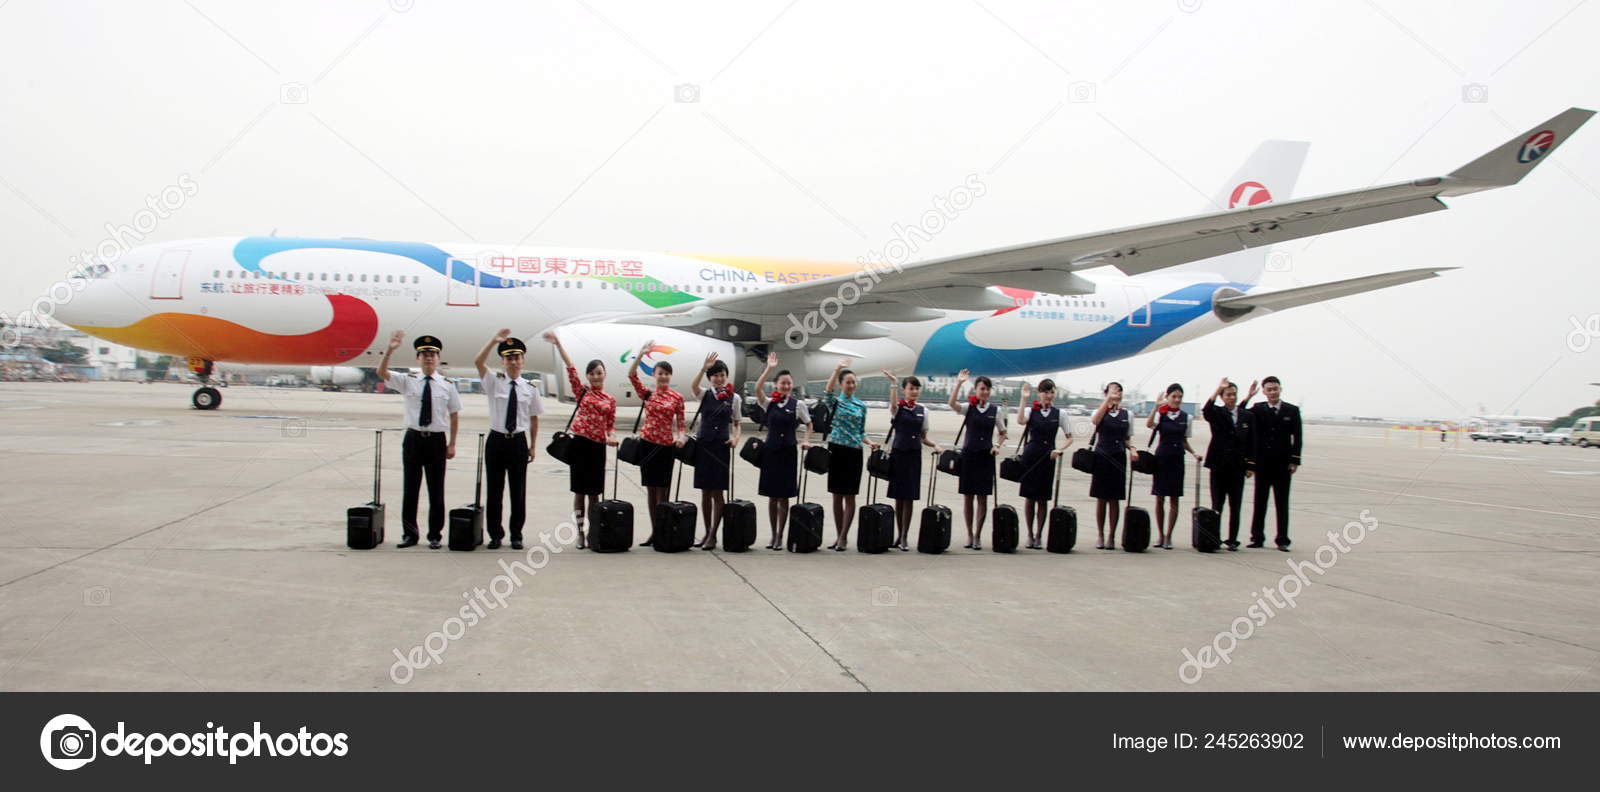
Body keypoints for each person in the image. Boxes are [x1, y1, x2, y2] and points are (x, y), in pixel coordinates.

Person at [377, 331, 462, 549]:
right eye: (424, 354)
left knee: (436, 490)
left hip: (436, 441)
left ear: (438, 357)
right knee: (411, 489)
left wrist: (452, 443)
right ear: (418, 358)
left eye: (433, 354)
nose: (429, 357)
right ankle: (410, 535)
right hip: (413, 439)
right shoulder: (408, 381)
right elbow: (381, 372)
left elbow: (454, 414)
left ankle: (435, 535)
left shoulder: (447, 384)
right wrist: (390, 349)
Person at [544, 331, 618, 550]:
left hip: (597, 448)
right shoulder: (582, 392)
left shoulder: (610, 400)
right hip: (580, 445)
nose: (596, 377)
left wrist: (611, 437)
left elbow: (611, 425)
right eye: (592, 373)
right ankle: (580, 534)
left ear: (605, 375)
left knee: (595, 494)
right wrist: (558, 344)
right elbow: (570, 369)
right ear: (588, 376)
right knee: (579, 493)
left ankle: (595, 533)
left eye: (599, 373)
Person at [473, 329, 546, 550]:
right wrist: (492, 341)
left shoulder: (530, 388)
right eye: (509, 358)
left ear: (523, 361)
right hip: (496, 441)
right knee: (494, 490)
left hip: (518, 442)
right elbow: (478, 362)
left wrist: (533, 446)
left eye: (517, 358)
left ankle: (516, 534)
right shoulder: (495, 382)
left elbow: (534, 419)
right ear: (503, 362)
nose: (513, 362)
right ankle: (495, 534)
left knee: (518, 490)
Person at [627, 340, 688, 547]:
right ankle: (654, 531)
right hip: (647, 444)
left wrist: (681, 437)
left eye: (666, 373)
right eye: (660, 373)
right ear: (654, 375)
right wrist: (641, 354)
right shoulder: (648, 394)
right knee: (651, 489)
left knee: (664, 490)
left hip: (665, 447)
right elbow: (631, 376)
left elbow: (681, 424)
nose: (663, 376)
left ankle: (664, 528)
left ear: (670, 376)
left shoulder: (677, 398)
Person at [752, 352, 813, 550]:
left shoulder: (799, 405)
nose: (786, 386)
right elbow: (757, 388)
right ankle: (772, 534)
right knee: (772, 495)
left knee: (784, 496)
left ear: (792, 385)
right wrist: (769, 368)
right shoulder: (769, 403)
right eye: (782, 383)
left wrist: (805, 440)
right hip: (771, 452)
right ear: (776, 384)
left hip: (788, 452)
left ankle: (780, 534)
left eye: (788, 383)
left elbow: (809, 424)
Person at [947, 369, 1008, 550]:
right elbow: (952, 404)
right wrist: (958, 383)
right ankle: (969, 533)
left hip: (985, 457)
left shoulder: (995, 411)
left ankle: (979, 535)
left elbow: (1003, 433)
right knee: (968, 497)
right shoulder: (969, 408)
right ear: (975, 390)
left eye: (988, 389)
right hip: (969, 456)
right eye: (982, 389)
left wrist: (997, 445)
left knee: (982, 498)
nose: (985, 392)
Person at [688, 353, 742, 550]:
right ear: (710, 378)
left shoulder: (734, 398)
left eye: (722, 375)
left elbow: (737, 423)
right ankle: (707, 530)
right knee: (705, 491)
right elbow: (693, 387)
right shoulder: (705, 394)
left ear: (726, 377)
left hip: (721, 446)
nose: (719, 379)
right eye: (715, 375)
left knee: (718, 492)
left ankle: (713, 534)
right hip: (704, 445)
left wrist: (735, 438)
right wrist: (703, 368)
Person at [881, 371, 939, 551]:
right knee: (899, 497)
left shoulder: (923, 411)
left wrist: (935, 445)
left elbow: (923, 437)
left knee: (910, 498)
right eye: (910, 388)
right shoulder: (898, 407)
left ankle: (905, 535)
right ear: (904, 390)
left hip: (914, 455)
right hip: (899, 454)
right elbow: (892, 405)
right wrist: (892, 384)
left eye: (916, 389)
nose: (914, 391)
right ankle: (899, 534)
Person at [1015, 378, 1073, 550]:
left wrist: (1060, 449)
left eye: (1052, 392)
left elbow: (1070, 438)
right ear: (1039, 393)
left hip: (1048, 457)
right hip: (1031, 456)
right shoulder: (1031, 411)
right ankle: (1029, 534)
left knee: (1043, 498)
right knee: (1029, 497)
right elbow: (1020, 421)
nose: (1049, 395)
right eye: (1045, 392)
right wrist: (1024, 398)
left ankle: (1039, 534)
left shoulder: (1060, 414)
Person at [1245, 375, 1302, 551]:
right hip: (1263, 464)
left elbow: (1298, 437)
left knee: (1282, 503)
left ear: (1280, 389)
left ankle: (1282, 539)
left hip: (1283, 465)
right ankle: (1257, 537)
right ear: (1264, 391)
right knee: (1259, 502)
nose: (1273, 392)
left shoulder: (1292, 410)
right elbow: (1240, 413)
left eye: (1275, 388)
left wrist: (1295, 460)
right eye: (1269, 389)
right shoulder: (1257, 409)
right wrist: (1248, 396)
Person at [1201, 377, 1258, 550]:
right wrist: (1218, 388)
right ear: (1222, 397)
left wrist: (1251, 465)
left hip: (1237, 467)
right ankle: (1214, 538)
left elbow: (1252, 442)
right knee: (1217, 504)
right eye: (1228, 395)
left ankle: (1232, 539)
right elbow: (1206, 410)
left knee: (1236, 505)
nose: (1231, 397)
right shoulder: (1217, 413)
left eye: (1234, 394)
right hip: (1219, 466)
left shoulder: (1246, 415)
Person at [1145, 383, 1201, 549]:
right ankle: (1160, 535)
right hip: (1162, 457)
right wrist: (1156, 407)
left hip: (1177, 459)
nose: (1177, 400)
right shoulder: (1161, 415)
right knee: (1159, 498)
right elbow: (1149, 425)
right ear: (1167, 398)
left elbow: (1184, 440)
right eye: (1173, 397)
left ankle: (1169, 535)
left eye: (1179, 397)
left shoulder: (1186, 417)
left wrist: (1194, 453)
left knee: (1174, 499)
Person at [821, 359, 869, 551]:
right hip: (837, 450)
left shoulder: (861, 406)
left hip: (854, 452)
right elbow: (827, 391)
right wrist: (837, 368)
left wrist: (870, 442)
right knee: (836, 496)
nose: (851, 385)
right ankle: (839, 534)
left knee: (850, 496)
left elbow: (862, 431)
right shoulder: (835, 402)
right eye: (848, 382)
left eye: (853, 382)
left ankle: (844, 537)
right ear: (841, 385)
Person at [1088, 382, 1136, 550]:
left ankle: (1112, 536)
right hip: (1102, 456)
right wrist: (1107, 402)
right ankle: (1100, 534)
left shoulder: (1127, 414)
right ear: (1106, 393)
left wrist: (1133, 449)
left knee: (1114, 499)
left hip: (1118, 457)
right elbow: (1095, 421)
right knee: (1101, 498)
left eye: (1119, 391)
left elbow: (1127, 437)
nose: (1117, 393)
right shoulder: (1100, 411)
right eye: (1113, 391)